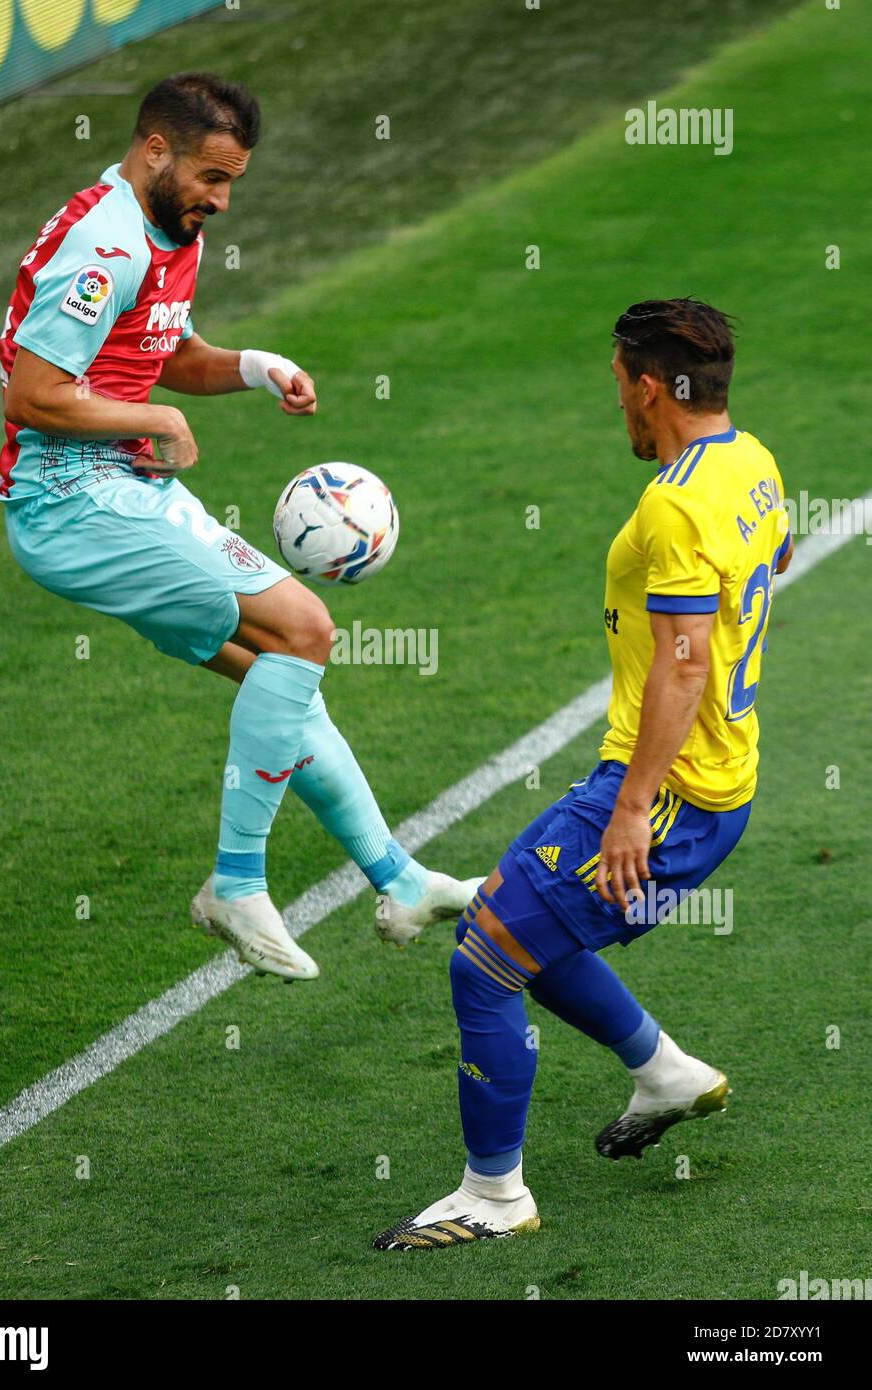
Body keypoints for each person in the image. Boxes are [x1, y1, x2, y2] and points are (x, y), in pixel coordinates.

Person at [0, 71, 480, 982]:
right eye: (210, 179)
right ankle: (236, 884)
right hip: (73, 503)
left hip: (122, 490)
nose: (219, 201)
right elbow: (35, 393)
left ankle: (399, 878)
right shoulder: (105, 242)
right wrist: (157, 425)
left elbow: (160, 353)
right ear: (154, 152)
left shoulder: (169, 229)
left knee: (281, 678)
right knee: (305, 629)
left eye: (232, 183)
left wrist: (255, 367)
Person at [374, 298, 793, 1250]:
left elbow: (685, 662)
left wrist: (632, 810)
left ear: (650, 387)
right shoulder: (749, 461)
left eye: (619, 388)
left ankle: (494, 1196)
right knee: (527, 925)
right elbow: (774, 556)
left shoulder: (676, 501)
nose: (619, 408)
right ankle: (664, 1073)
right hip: (719, 780)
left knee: (482, 963)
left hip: (670, 795)